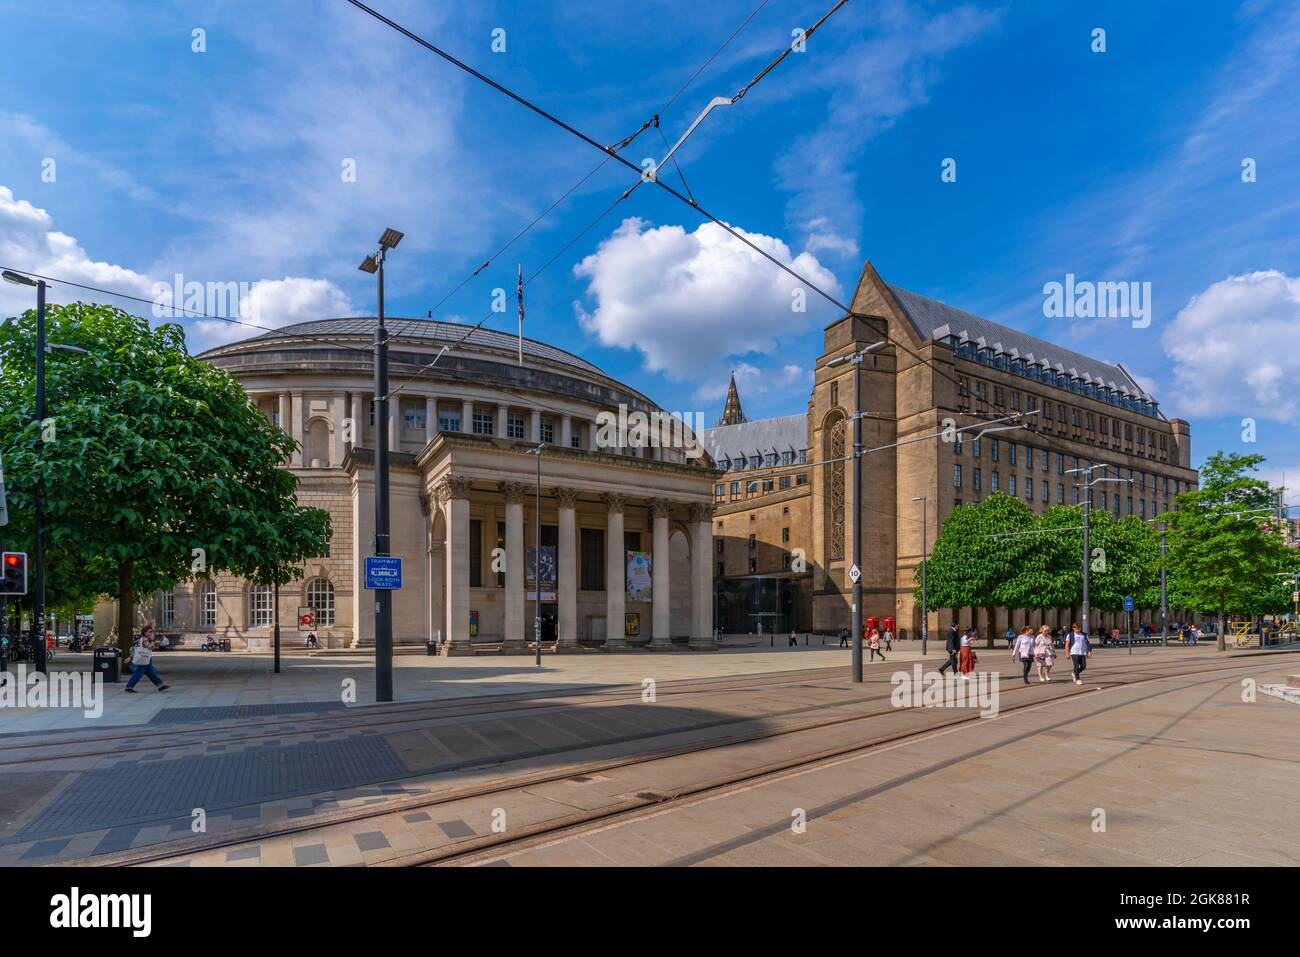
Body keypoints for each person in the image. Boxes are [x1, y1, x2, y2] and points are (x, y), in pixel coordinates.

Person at [124, 627, 169, 693]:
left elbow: (133, 648)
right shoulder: (145, 640)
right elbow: (151, 647)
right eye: (149, 632)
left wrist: (131, 657)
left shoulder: (140, 639)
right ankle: (129, 687)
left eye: (152, 631)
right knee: (139, 673)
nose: (151, 633)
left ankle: (160, 685)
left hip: (145, 658)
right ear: (145, 633)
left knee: (149, 672)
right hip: (144, 659)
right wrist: (155, 642)